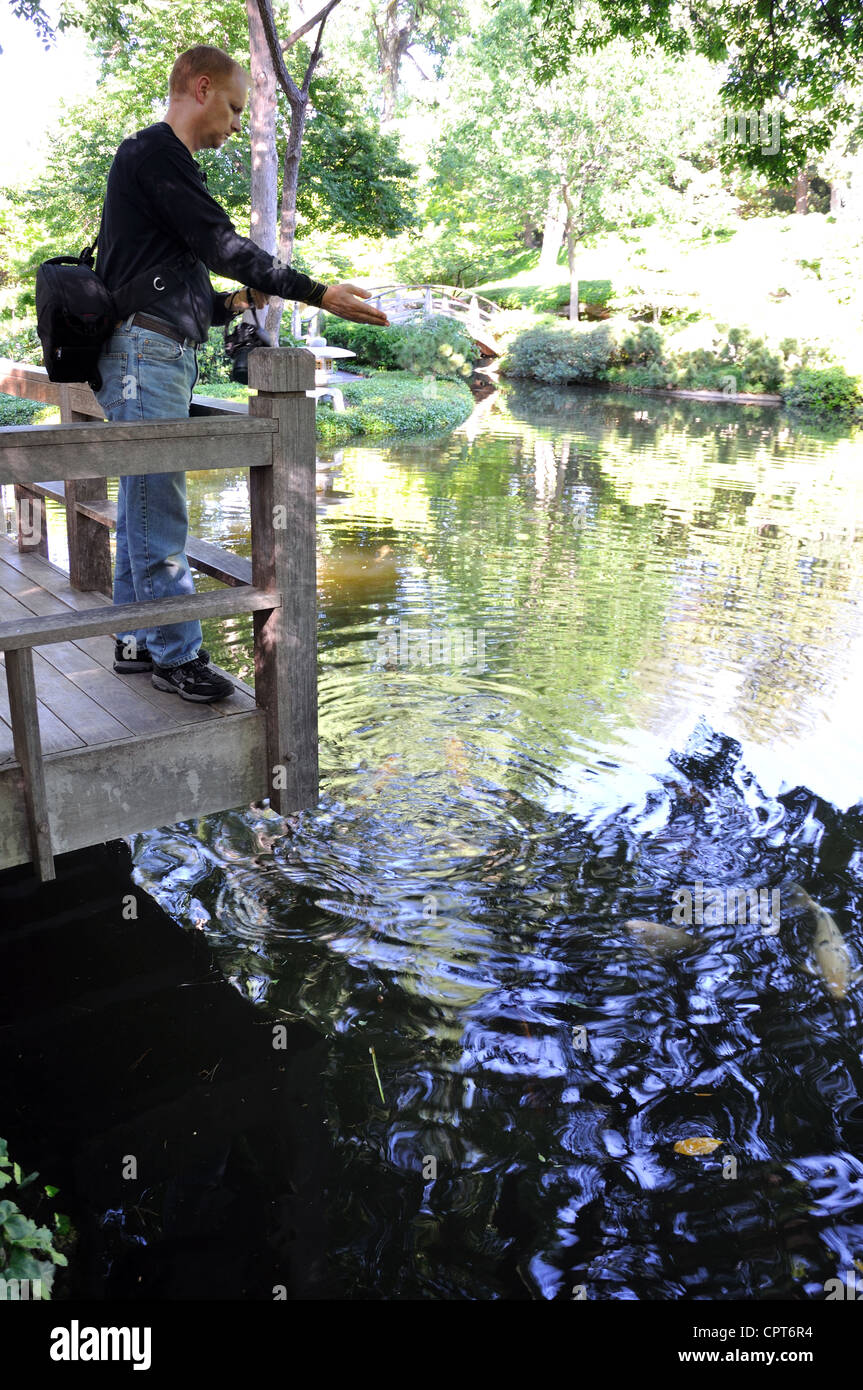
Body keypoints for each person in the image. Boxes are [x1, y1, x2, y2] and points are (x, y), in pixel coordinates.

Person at [94, 43, 389, 703]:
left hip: (151, 349)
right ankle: (175, 655)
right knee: (157, 507)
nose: (233, 126)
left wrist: (234, 304)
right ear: (199, 87)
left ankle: (135, 642)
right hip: (145, 356)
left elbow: (175, 284)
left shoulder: (151, 167)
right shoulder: (155, 153)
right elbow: (224, 246)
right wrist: (318, 293)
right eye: (231, 107)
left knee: (140, 498)